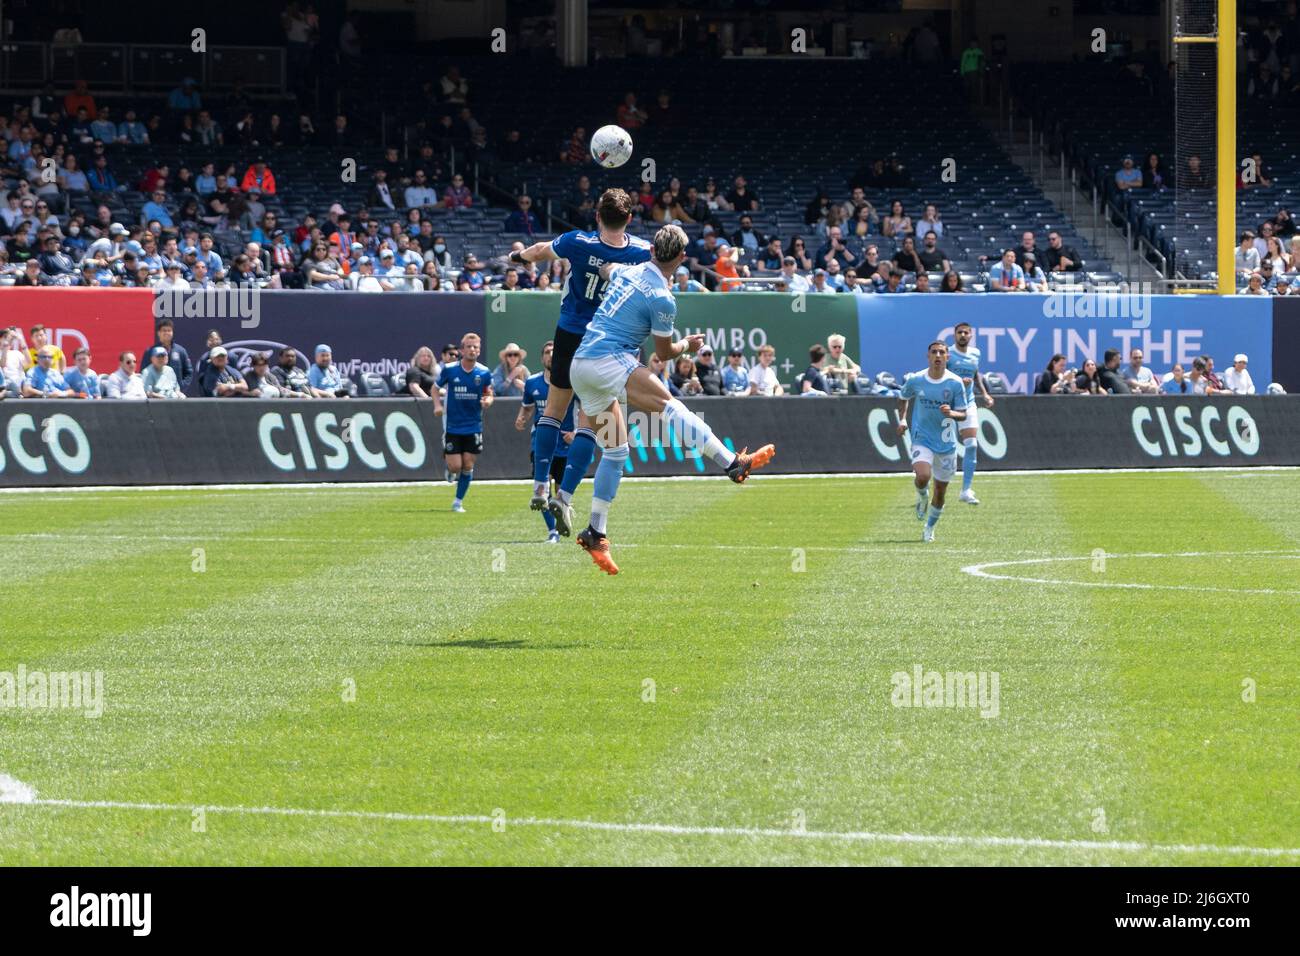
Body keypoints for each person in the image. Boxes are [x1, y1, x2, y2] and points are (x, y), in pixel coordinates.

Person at [562, 224, 775, 573]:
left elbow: (605, 268)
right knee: (669, 406)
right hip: (607, 360)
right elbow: (663, 353)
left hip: (581, 366)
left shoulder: (627, 271)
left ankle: (595, 530)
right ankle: (731, 463)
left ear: (651, 251)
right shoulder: (663, 298)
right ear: (681, 258)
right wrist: (687, 347)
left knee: (616, 452)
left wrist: (605, 273)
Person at [509, 188, 652, 518]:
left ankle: (540, 484)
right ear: (630, 218)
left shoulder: (577, 242)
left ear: (597, 215)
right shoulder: (643, 253)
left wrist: (517, 258)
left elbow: (540, 251)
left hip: (570, 334)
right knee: (590, 421)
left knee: (554, 411)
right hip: (608, 343)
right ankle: (566, 495)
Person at [897, 342, 968, 543]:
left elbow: (963, 414)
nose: (938, 355)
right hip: (922, 438)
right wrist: (902, 419)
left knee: (941, 490)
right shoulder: (916, 380)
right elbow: (903, 397)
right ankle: (922, 496)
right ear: (928, 356)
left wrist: (951, 413)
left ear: (947, 357)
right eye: (934, 352)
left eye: (942, 352)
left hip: (946, 443)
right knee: (922, 476)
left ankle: (929, 528)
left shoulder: (955, 383)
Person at [516, 341, 576, 543]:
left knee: (560, 495)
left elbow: (587, 411)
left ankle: (561, 520)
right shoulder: (532, 382)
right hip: (540, 443)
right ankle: (552, 531)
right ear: (542, 358)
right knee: (543, 489)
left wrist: (576, 432)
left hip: (565, 444)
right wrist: (522, 417)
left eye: (554, 352)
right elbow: (527, 407)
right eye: (547, 352)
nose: (551, 355)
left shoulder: (572, 381)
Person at [434, 332, 494, 513]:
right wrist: (437, 405)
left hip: (474, 425)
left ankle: (458, 502)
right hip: (453, 424)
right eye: (469, 347)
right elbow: (435, 389)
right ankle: (449, 467)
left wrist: (488, 401)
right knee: (456, 466)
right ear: (462, 350)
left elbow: (488, 392)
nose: (472, 350)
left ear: (479, 350)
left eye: (476, 347)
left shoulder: (483, 372)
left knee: (468, 464)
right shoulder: (450, 370)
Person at [945, 322, 994, 505]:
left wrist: (985, 393)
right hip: (947, 405)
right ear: (954, 335)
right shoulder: (947, 353)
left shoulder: (976, 353)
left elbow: (975, 375)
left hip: (968, 403)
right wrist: (958, 382)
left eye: (966, 332)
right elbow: (940, 374)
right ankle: (928, 485)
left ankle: (966, 490)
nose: (963, 335)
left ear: (971, 335)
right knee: (942, 451)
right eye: (960, 332)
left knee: (972, 445)